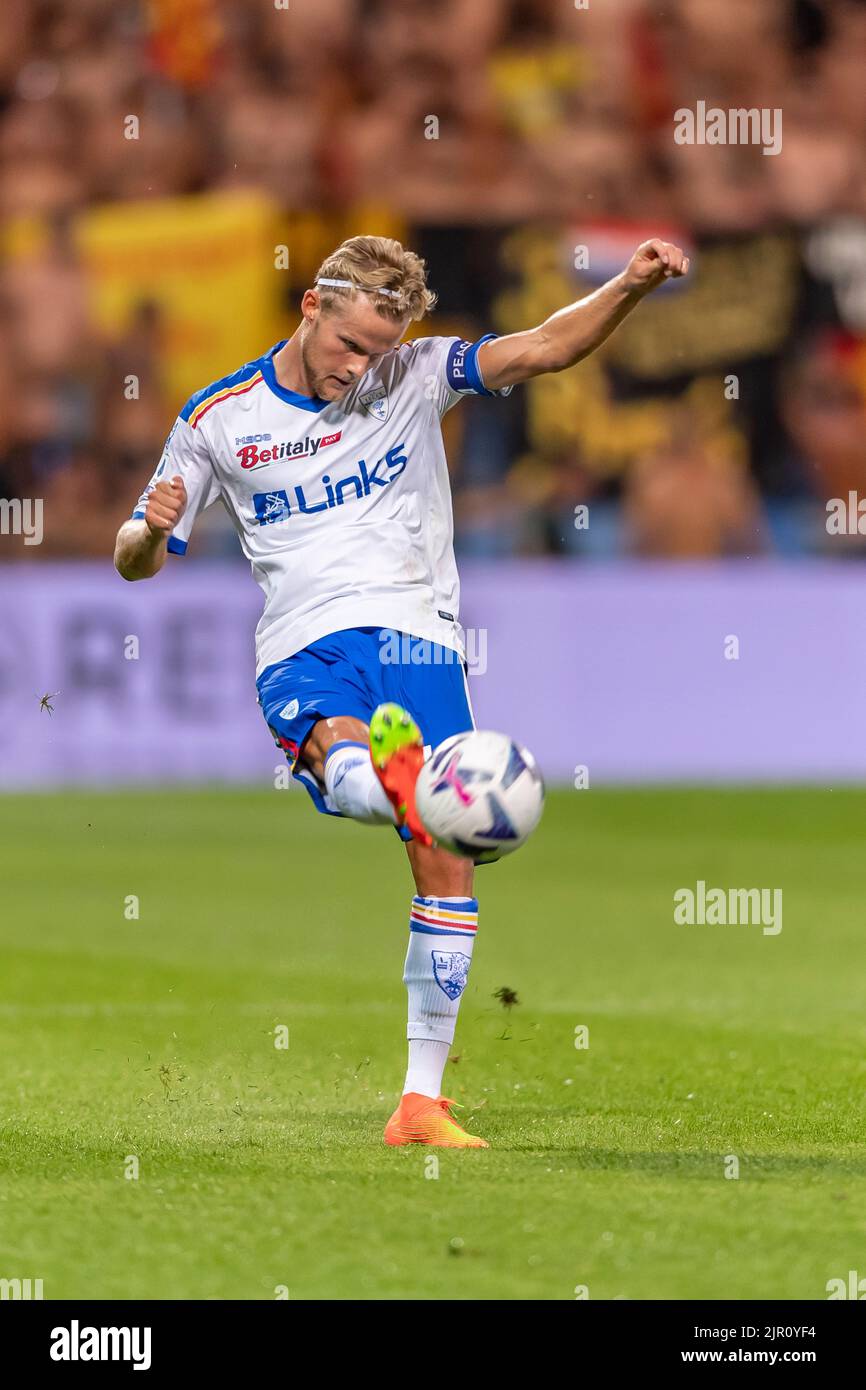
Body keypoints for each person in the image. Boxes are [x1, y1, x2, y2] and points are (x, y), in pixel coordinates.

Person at [114, 233, 688, 1147]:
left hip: (422, 642)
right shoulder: (218, 418)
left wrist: (631, 283)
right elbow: (134, 562)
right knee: (348, 751)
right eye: (351, 345)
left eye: (380, 351)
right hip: (308, 639)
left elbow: (545, 346)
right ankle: (391, 782)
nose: (361, 369)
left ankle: (421, 1103)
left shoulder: (418, 372)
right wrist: (147, 535)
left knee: (443, 859)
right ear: (312, 305)